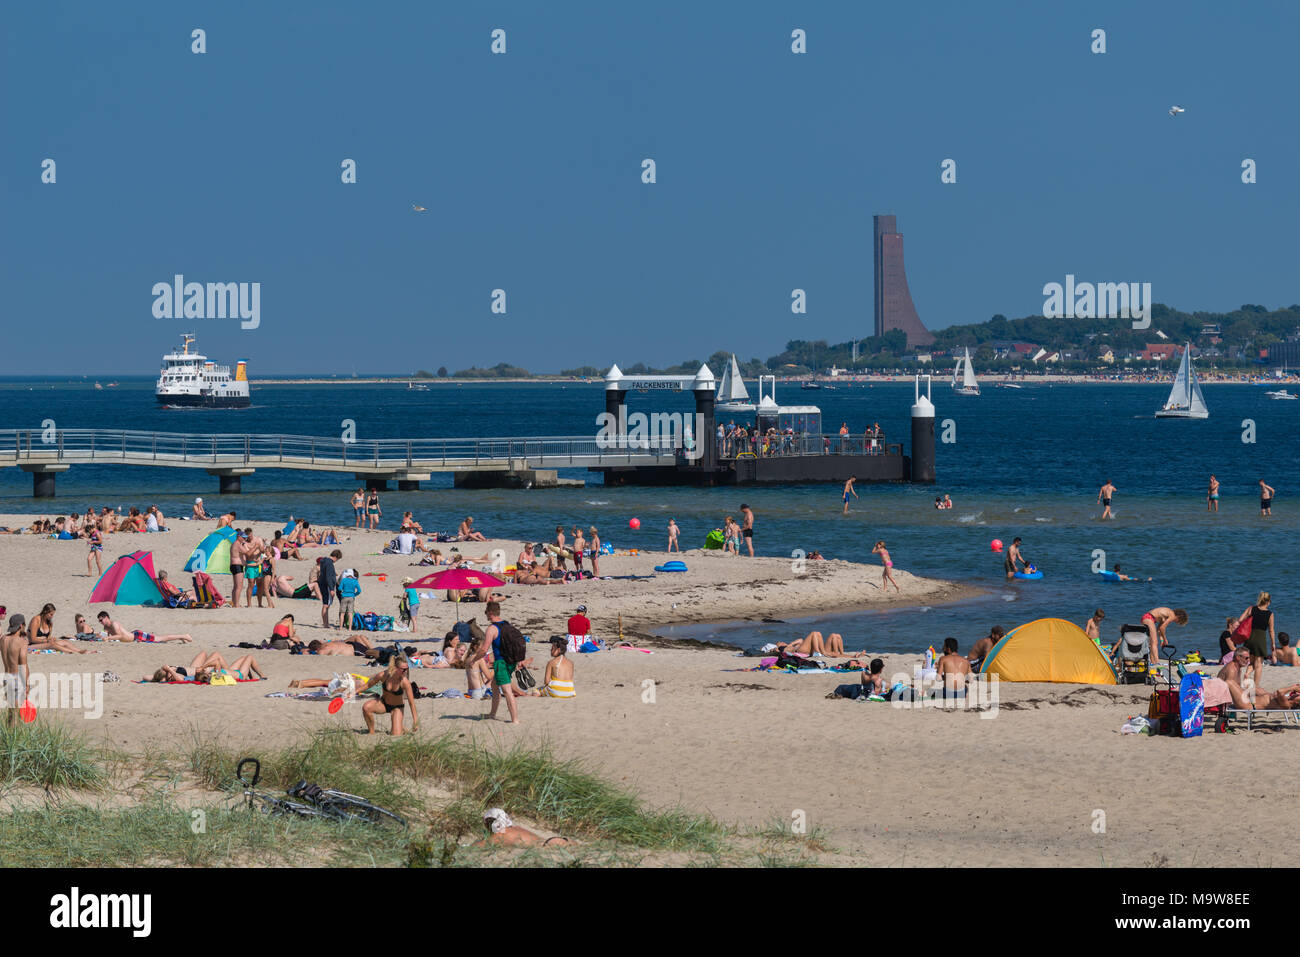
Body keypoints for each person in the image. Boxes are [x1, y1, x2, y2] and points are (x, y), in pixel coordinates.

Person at [470, 601, 518, 723]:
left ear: (491, 613)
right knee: (494, 685)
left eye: (486, 612)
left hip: (501, 663)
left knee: (507, 691)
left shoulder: (491, 628)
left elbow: (483, 650)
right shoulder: (506, 624)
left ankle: (515, 720)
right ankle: (492, 714)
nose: (485, 615)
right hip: (511, 661)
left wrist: (474, 660)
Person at [358, 656, 419, 736]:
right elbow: (369, 684)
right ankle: (371, 732)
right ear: (396, 668)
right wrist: (355, 691)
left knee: (395, 735)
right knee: (366, 707)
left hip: (397, 708)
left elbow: (412, 703)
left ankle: (400, 728)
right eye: (403, 669)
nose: (406, 671)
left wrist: (415, 721)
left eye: (407, 668)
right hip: (383, 703)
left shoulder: (405, 682)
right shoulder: (384, 675)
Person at [1230, 592, 1275, 688]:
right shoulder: (1270, 614)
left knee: (1252, 662)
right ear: (1268, 602)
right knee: (1259, 664)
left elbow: (1240, 620)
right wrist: (1273, 643)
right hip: (1260, 638)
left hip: (1249, 637)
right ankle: (1256, 687)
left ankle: (1247, 673)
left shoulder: (1251, 609)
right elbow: (1271, 630)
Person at [94, 611, 193, 644]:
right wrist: (95, 636)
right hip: (134, 637)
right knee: (160, 639)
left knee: (160, 638)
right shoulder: (106, 627)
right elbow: (103, 635)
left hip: (137, 636)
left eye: (101, 620)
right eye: (99, 621)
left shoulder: (114, 624)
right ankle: (180, 637)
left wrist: (108, 638)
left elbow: (119, 636)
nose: (100, 622)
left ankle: (184, 635)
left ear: (106, 618)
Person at [1, 615, 30, 723]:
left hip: (6, 677)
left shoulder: (3, 639)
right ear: (21, 626)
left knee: (10, 713)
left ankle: (7, 739)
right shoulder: (22, 642)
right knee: (17, 716)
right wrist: (26, 684)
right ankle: (15, 739)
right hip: (17, 679)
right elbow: (23, 664)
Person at [778, 631, 865, 658]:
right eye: (780, 643)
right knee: (814, 633)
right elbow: (776, 649)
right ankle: (823, 652)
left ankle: (848, 655)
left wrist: (790, 643)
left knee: (834, 636)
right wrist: (786, 646)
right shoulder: (783, 649)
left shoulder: (792, 644)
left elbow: (800, 640)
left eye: (781, 641)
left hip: (812, 650)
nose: (781, 642)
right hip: (802, 651)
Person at [317, 550, 341, 628]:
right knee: (326, 605)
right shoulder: (329, 563)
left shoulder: (324, 560)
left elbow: (325, 573)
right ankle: (326, 624)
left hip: (322, 584)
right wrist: (331, 589)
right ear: (336, 557)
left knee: (325, 604)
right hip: (327, 585)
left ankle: (325, 623)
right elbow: (328, 577)